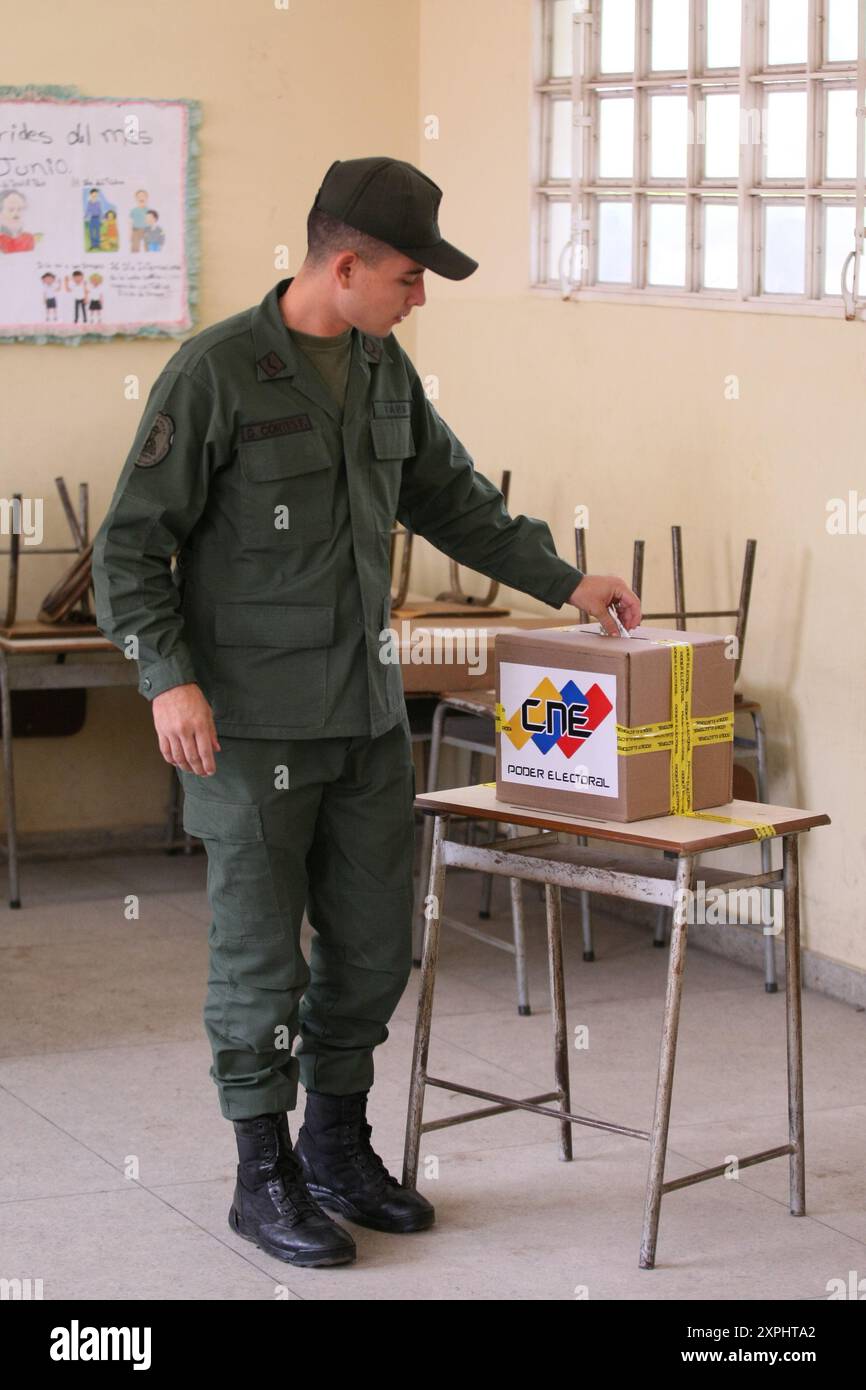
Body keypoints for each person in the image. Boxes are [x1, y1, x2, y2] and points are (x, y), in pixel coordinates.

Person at [92, 155, 641, 1270]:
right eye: (406, 275)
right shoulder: (216, 375)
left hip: (363, 715)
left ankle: (336, 1147)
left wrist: (563, 581)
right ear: (343, 265)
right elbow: (128, 551)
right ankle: (263, 1176)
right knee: (261, 966)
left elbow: (453, 500)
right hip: (245, 730)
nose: (418, 295)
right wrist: (168, 676)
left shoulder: (386, 373)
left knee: (372, 950)